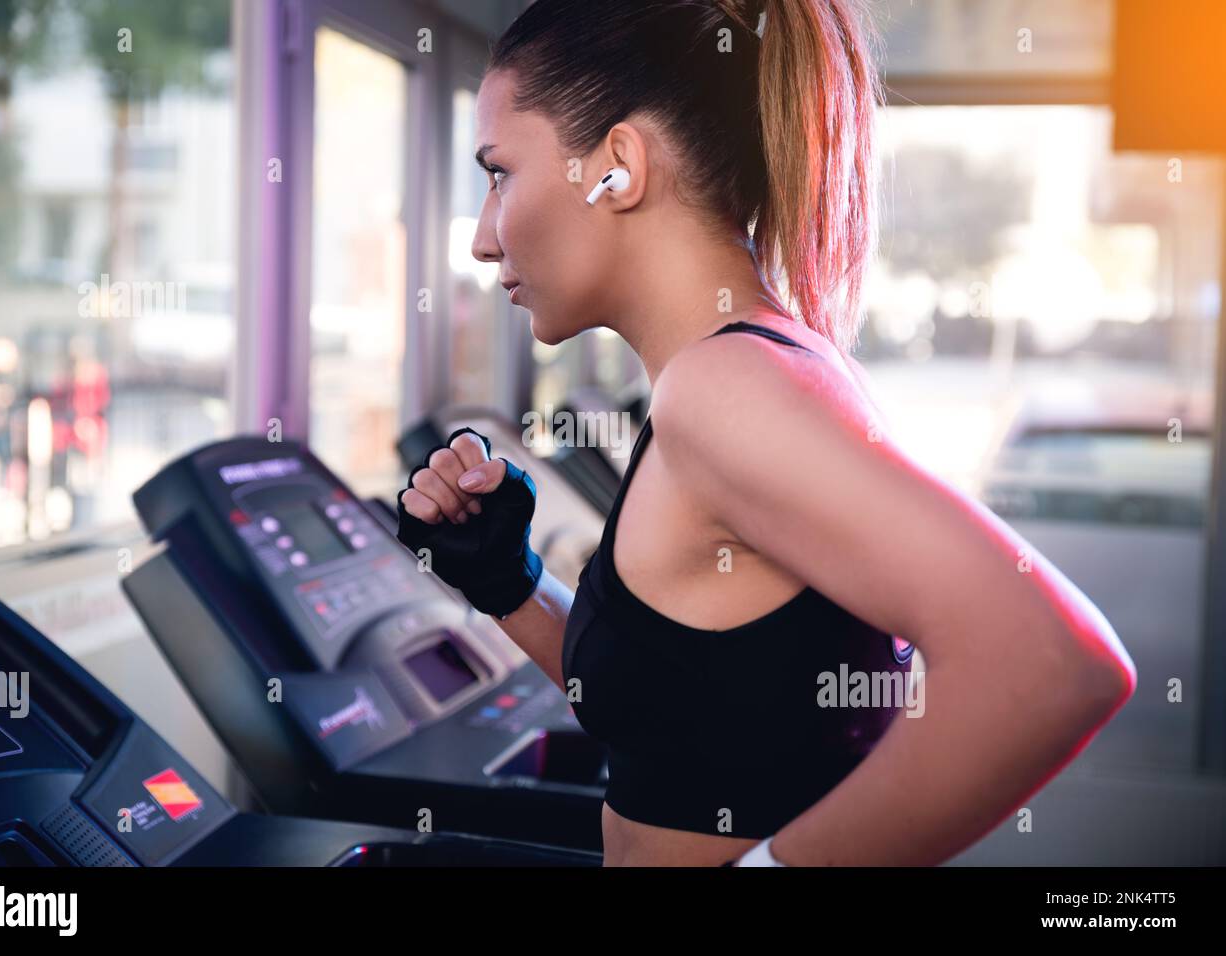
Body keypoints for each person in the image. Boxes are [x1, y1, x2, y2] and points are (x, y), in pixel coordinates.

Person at [395, 0, 1136, 867]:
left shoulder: (723, 390)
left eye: (498, 174)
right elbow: (693, 711)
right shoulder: (735, 371)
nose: (484, 240)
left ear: (618, 167)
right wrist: (508, 579)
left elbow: (1053, 663)